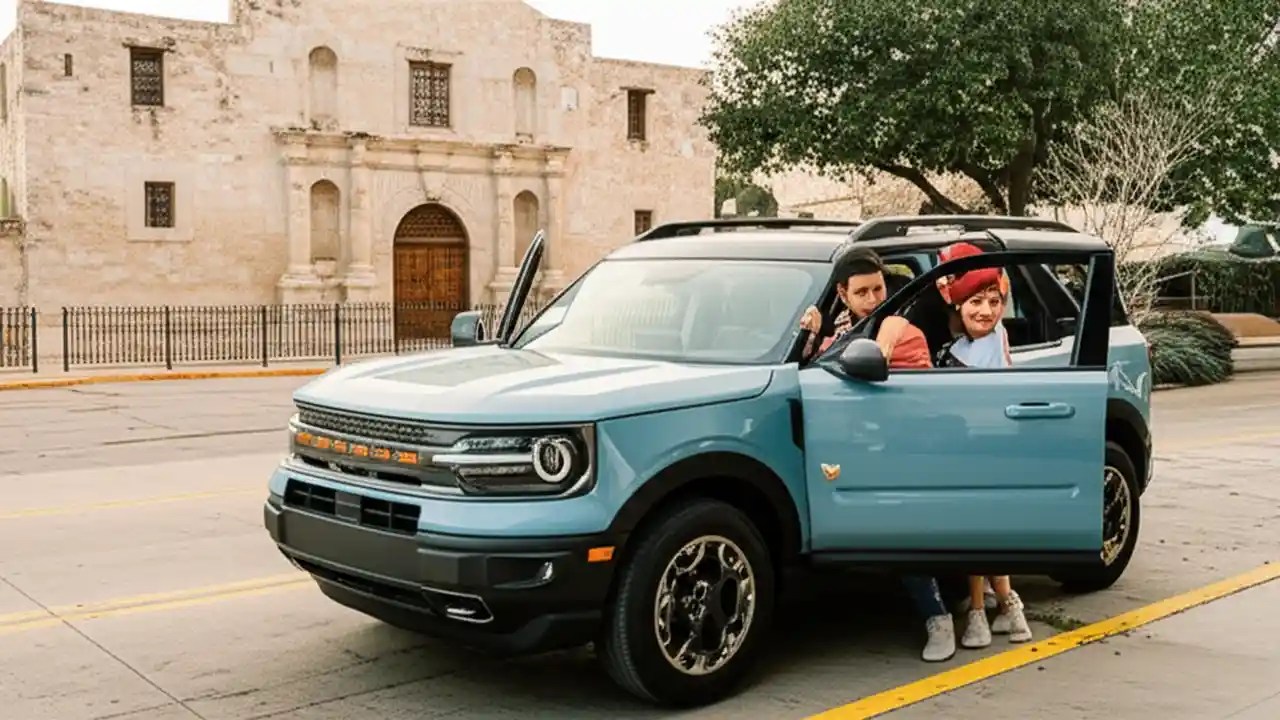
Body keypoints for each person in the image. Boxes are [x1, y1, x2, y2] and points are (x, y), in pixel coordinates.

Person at [797, 246, 957, 662]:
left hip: (903, 449)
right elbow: (810, 377)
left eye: (879, 288)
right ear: (843, 295)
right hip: (845, 450)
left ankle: (937, 617)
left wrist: (881, 333)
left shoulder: (900, 327)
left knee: (904, 531)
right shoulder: (836, 334)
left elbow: (901, 378)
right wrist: (812, 337)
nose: (872, 298)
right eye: (863, 292)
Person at [933, 241, 1033, 648]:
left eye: (994, 301)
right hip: (969, 448)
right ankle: (1002, 607)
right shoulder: (957, 349)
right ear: (957, 304)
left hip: (989, 447)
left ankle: (987, 610)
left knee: (983, 531)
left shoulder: (992, 342)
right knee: (979, 531)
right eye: (976, 301)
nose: (987, 311)